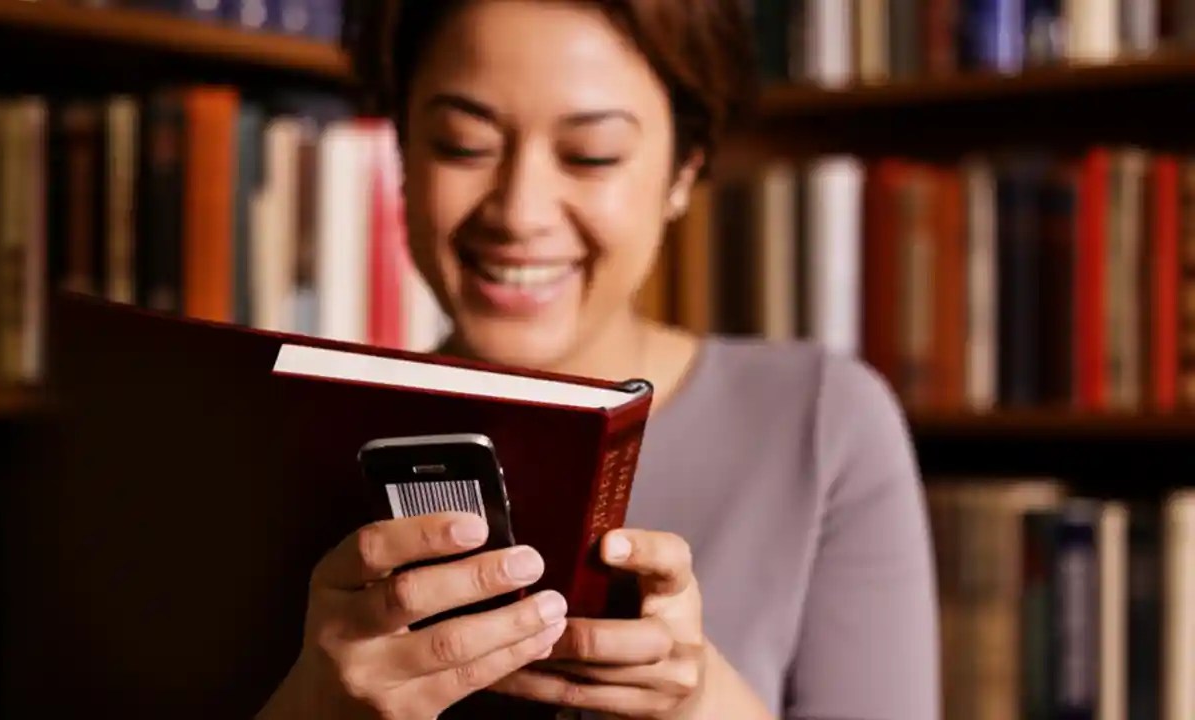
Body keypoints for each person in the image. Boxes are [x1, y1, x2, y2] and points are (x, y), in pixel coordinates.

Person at [258, 1, 940, 718]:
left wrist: (700, 700)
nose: (520, 212)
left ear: (684, 169)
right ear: (402, 150)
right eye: (462, 144)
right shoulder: (298, 434)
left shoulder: (824, 423)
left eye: (591, 156)